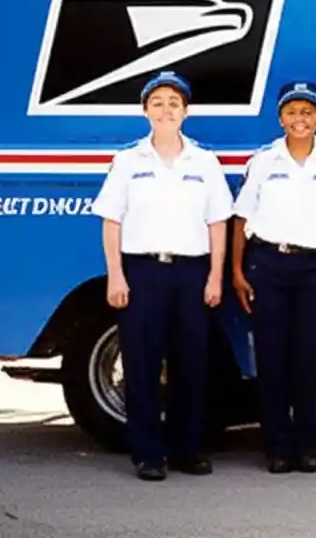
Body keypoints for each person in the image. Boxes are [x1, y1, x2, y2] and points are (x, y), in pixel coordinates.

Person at [90, 71, 233, 482]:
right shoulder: (128, 161)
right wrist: (116, 276)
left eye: (174, 103)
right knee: (142, 364)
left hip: (191, 272)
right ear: (145, 111)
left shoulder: (204, 162)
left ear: (186, 111)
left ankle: (187, 449)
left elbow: (218, 222)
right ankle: (148, 453)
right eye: (158, 102)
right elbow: (111, 221)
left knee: (192, 363)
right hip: (142, 271)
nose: (166, 109)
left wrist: (215, 277)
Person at [231, 80, 316, 475]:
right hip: (268, 265)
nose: (299, 119)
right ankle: (277, 447)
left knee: (309, 358)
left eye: (307, 113)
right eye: (291, 112)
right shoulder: (264, 161)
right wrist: (236, 271)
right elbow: (241, 219)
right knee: (272, 358)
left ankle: (308, 446)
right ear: (280, 118)